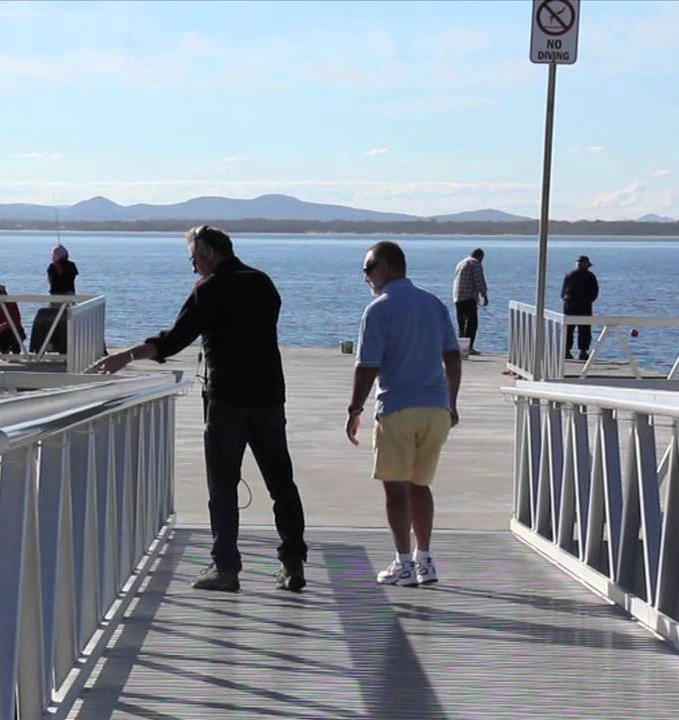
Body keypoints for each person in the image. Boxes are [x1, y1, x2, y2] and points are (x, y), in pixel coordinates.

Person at [92, 225, 308, 592]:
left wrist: (126, 355)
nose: (194, 268)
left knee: (223, 487)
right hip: (269, 396)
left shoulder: (208, 290)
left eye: (194, 260)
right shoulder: (263, 283)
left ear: (208, 254)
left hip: (226, 399)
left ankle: (225, 569)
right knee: (281, 484)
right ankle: (293, 565)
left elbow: (173, 340)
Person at [346, 241, 462, 587]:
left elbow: (367, 366)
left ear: (386, 267)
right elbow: (453, 356)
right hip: (435, 409)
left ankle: (404, 563)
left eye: (368, 269)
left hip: (397, 408)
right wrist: (451, 402)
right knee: (420, 486)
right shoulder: (433, 304)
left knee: (396, 490)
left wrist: (355, 409)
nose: (366, 277)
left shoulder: (379, 309)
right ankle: (426, 561)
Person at [451, 248, 488, 356]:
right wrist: (484, 295)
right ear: (480, 257)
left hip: (457, 297)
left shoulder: (462, 262)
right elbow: (479, 280)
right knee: (472, 323)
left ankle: (461, 348)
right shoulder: (474, 263)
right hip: (468, 298)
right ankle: (469, 347)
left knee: (462, 324)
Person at [561, 255, 599, 361]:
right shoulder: (591, 276)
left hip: (570, 305)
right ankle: (583, 351)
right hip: (585, 306)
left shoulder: (569, 275)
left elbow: (563, 292)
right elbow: (595, 292)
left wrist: (567, 300)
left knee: (568, 329)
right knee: (585, 330)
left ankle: (566, 351)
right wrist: (588, 301)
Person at [0, 284, 25, 354]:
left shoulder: (12, 305)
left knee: (16, 333)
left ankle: (15, 353)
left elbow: (15, 320)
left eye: (0, 293)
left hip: (13, 330)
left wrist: (3, 326)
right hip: (0, 332)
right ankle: (3, 351)